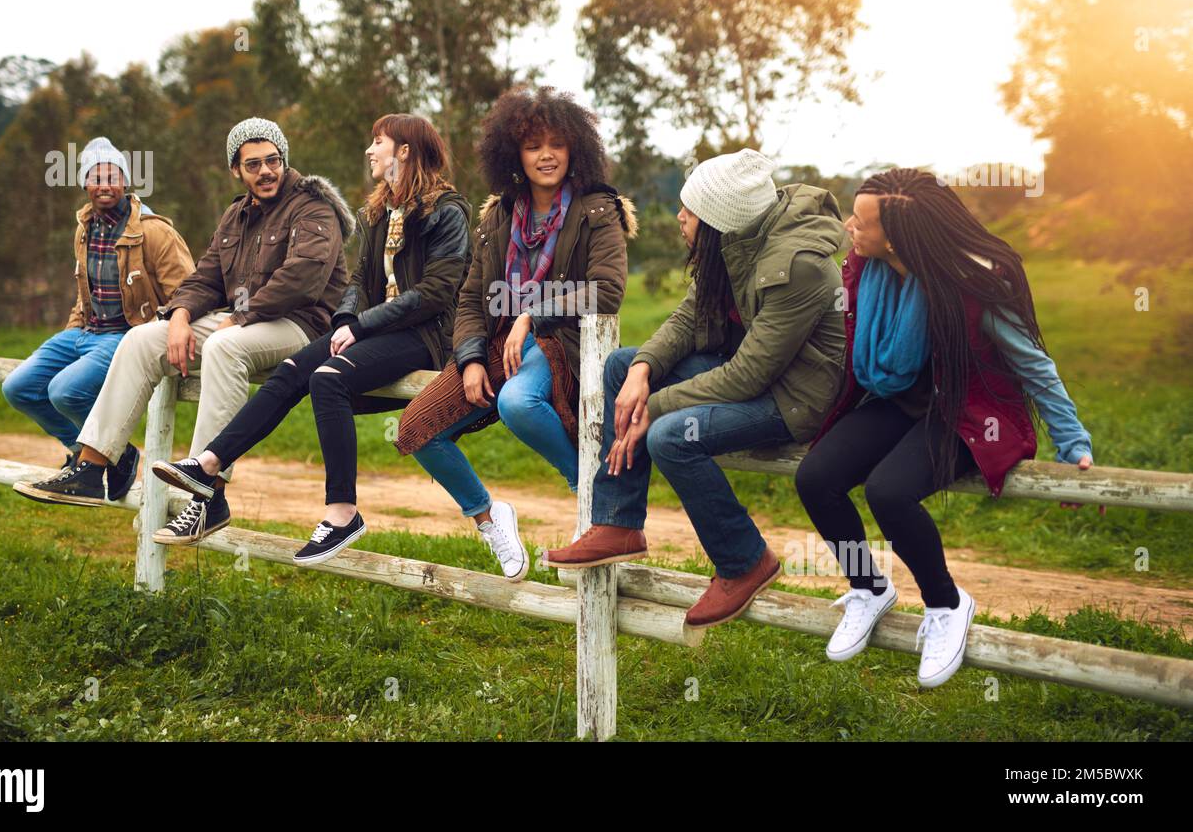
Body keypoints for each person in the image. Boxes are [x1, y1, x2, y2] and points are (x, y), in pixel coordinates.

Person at [793, 167, 1093, 689]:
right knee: (815, 478)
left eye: (861, 222)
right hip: (898, 399)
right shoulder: (867, 270)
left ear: (898, 236)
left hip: (968, 411)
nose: (848, 228)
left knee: (889, 491)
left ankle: (947, 605)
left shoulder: (974, 285)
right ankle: (868, 587)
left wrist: (1072, 443)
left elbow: (1034, 365)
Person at [544, 149, 847, 630]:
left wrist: (652, 410)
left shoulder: (800, 265)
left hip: (791, 397)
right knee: (622, 365)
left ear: (721, 219)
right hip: (746, 370)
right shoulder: (736, 242)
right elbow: (688, 318)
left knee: (670, 436)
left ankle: (745, 561)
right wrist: (644, 368)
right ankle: (618, 522)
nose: (680, 217)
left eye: (691, 210)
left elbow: (749, 376)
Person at [14, 118, 354, 536]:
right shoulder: (236, 214)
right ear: (236, 169)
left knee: (224, 346)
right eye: (253, 165)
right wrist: (177, 315)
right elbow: (206, 277)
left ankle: (207, 495)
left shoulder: (312, 207)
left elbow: (302, 279)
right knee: (142, 338)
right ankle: (92, 468)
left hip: (301, 325)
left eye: (273, 161)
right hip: (243, 320)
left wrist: (236, 318)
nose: (265, 171)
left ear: (284, 160)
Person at [150, 114, 471, 558]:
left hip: (426, 336)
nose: (369, 151)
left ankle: (343, 514)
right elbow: (358, 280)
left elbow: (437, 293)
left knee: (327, 378)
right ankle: (209, 464)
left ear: (404, 152)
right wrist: (344, 320)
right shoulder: (380, 210)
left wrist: (361, 325)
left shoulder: (447, 211)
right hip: (375, 328)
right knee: (291, 370)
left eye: (378, 142)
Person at [395, 86, 637, 582]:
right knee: (415, 429)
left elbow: (607, 290)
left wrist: (534, 315)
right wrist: (469, 359)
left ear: (576, 149)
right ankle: (489, 518)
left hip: (559, 345)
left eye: (557, 144)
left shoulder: (597, 209)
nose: (546, 155)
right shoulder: (498, 215)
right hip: (495, 345)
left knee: (518, 404)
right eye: (532, 146)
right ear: (514, 153)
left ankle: (590, 501)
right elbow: (469, 297)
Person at [1, 136, 192, 471]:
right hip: (85, 331)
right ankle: (93, 451)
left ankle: (107, 452)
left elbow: (188, 289)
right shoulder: (84, 227)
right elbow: (84, 291)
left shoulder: (154, 231)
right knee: (18, 387)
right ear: (85, 184)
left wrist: (171, 331)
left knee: (64, 391)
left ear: (125, 181)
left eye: (113, 177)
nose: (105, 186)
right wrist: (73, 333)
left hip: (127, 334)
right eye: (96, 178)